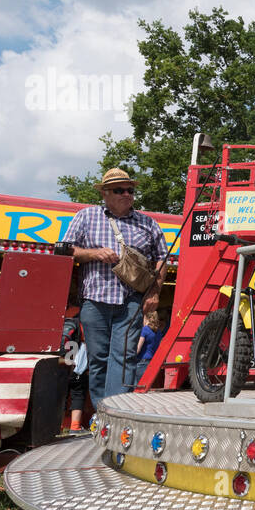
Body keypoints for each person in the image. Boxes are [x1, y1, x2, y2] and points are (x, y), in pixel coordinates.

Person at [61, 168, 166, 407]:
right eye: (120, 190)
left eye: (130, 190)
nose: (127, 194)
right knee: (98, 359)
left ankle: (116, 411)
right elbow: (65, 248)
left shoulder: (148, 223)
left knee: (126, 356)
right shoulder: (86, 216)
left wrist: (154, 292)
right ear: (105, 194)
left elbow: (162, 257)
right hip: (94, 299)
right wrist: (93, 253)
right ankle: (101, 410)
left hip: (132, 300)